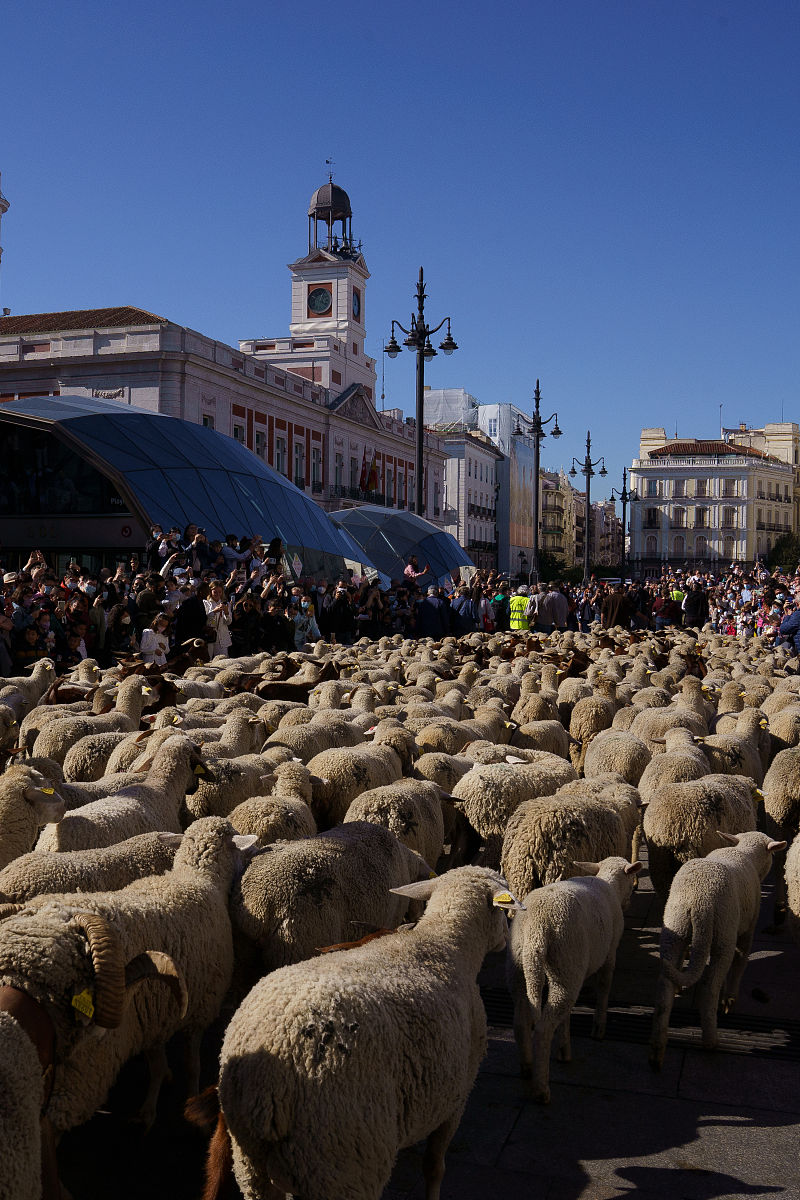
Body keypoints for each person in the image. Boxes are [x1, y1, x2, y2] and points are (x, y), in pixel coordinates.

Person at [204, 582, 233, 658]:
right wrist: (214, 612)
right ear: (210, 591)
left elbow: (228, 622)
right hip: (209, 637)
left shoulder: (226, 604)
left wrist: (226, 612)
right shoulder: (205, 603)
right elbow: (205, 620)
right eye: (215, 592)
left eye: (220, 592)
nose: (217, 594)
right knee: (208, 660)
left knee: (223, 661)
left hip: (222, 638)